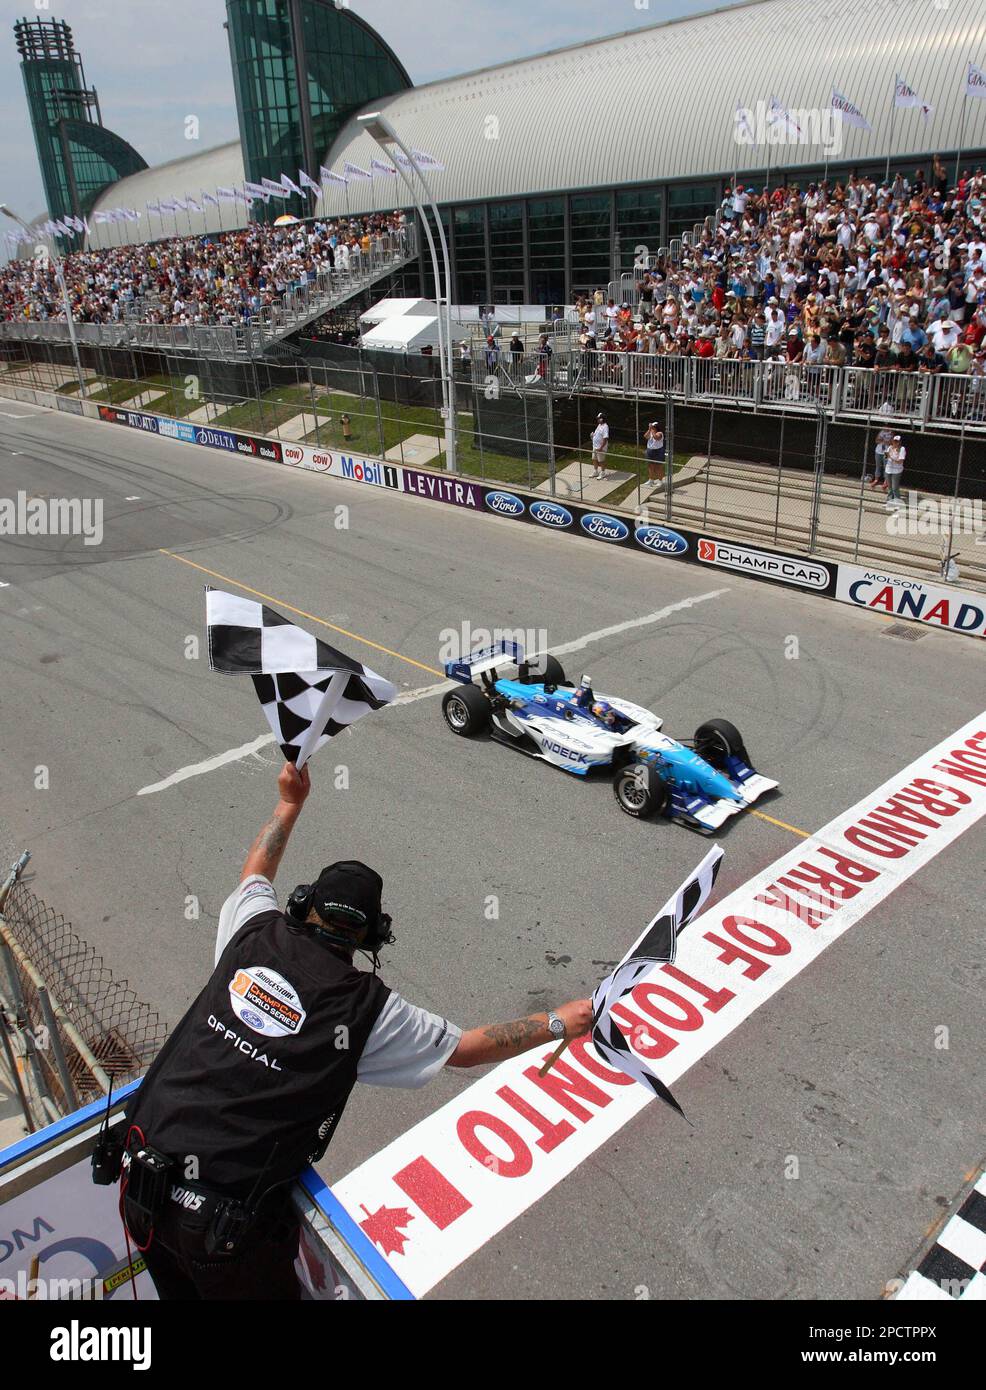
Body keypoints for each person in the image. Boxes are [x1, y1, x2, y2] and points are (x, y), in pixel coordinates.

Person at [119, 763, 591, 1300]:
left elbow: (256, 870)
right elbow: (464, 1049)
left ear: (304, 903)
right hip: (225, 1231)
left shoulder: (250, 930)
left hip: (142, 1182)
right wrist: (558, 1021)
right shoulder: (367, 1009)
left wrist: (290, 802)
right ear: (375, 936)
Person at [884, 434, 906, 506]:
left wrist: (891, 457)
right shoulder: (890, 447)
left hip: (897, 470)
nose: (895, 443)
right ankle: (889, 501)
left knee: (895, 487)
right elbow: (886, 457)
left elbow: (900, 461)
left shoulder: (902, 449)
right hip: (888, 469)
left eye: (897, 441)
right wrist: (887, 456)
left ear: (900, 442)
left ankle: (897, 503)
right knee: (890, 487)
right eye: (894, 441)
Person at [643, 420, 665, 485]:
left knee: (658, 466)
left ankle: (660, 481)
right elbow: (645, 436)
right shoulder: (651, 432)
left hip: (658, 451)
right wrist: (649, 430)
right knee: (650, 466)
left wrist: (652, 431)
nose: (651, 427)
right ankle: (651, 480)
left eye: (653, 427)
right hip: (650, 451)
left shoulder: (660, 433)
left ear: (656, 427)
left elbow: (656, 438)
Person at [590, 413, 610, 480]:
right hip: (595, 446)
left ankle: (603, 473)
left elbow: (605, 438)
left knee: (601, 461)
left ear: (602, 419)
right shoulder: (599, 425)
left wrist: (601, 447)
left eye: (598, 418)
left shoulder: (605, 427)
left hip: (600, 448)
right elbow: (597, 435)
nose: (597, 419)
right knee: (594, 459)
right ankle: (595, 471)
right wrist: (592, 436)